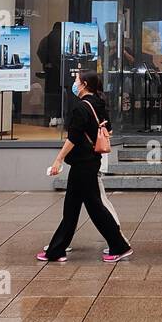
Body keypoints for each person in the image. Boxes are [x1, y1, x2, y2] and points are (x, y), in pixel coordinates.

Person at [40, 71, 133, 263]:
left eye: (76, 81)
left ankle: (119, 246)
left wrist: (58, 159)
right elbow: (109, 129)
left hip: (83, 163)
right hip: (91, 160)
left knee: (94, 207)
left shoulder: (81, 108)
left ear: (83, 84)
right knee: (72, 207)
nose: (74, 84)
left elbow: (72, 138)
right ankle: (57, 249)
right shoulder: (99, 103)